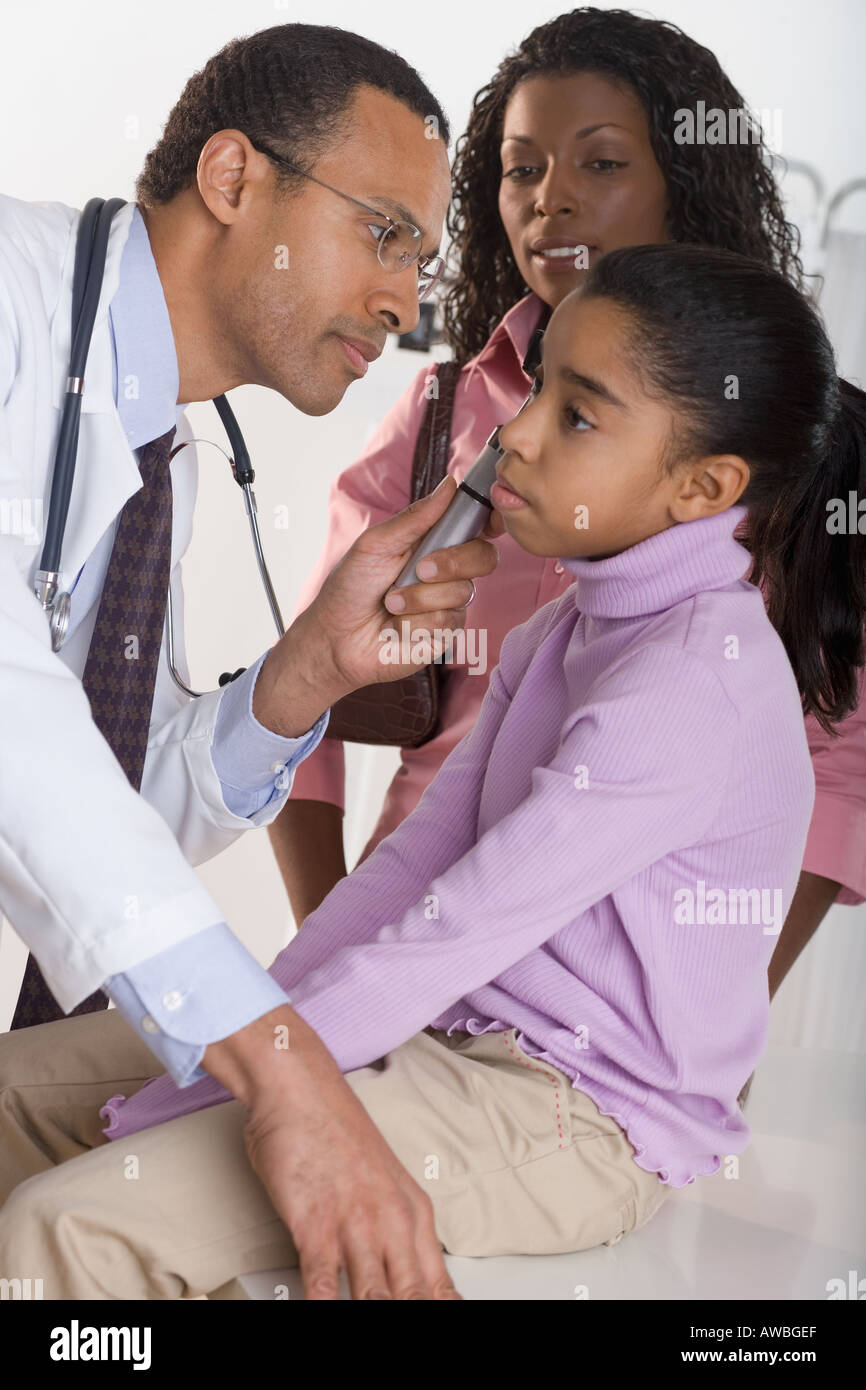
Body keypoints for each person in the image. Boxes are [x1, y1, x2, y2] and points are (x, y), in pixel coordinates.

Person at [2, 242, 864, 1300]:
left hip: (571, 1111)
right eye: (537, 386)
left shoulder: (693, 685)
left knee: (71, 1223)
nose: (516, 434)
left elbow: (464, 924)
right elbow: (406, 873)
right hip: (440, 1038)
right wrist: (258, 1032)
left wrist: (238, 1086)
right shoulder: (562, 628)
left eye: (577, 415)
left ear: (703, 486)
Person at [0, 23, 504, 1300]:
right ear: (234, 181)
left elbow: (105, 820)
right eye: (384, 233)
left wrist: (305, 676)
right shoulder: (8, 298)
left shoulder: (138, 448)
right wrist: (279, 1062)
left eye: (423, 260)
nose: (405, 302)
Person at [270, 8, 865, 1024]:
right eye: (520, 168)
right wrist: (328, 951)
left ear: (683, 177)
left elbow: (841, 755)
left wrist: (726, 1009)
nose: (550, 200)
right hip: (401, 957)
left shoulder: (790, 442)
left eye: (598, 164)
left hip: (605, 1021)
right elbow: (306, 693)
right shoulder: (437, 420)